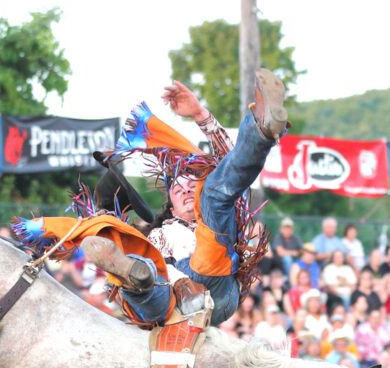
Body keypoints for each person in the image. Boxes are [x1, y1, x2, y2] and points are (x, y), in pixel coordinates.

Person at [19, 69, 288, 327]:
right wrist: (172, 279)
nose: (185, 188)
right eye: (178, 188)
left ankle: (262, 128)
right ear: (171, 203)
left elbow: (230, 165)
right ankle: (134, 275)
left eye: (191, 184)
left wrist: (199, 114)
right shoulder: (157, 235)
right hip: (166, 295)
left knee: (216, 193)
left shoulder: (217, 207)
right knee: (145, 275)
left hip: (215, 282)